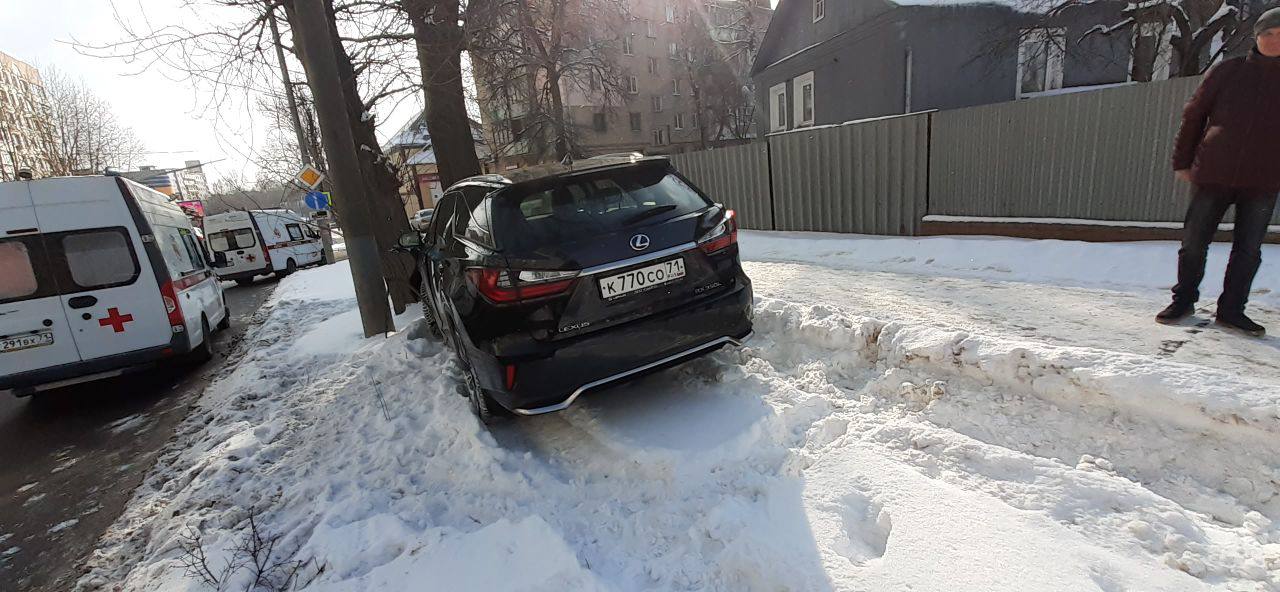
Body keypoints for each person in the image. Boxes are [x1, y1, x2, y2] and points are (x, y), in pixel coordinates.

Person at [1158, 7, 1280, 337]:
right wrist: (1182, 162)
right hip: (1214, 172)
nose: (1274, 40)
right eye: (1268, 34)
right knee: (1194, 242)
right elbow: (1194, 116)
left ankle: (1232, 311)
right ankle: (1183, 300)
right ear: (1257, 37)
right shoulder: (1228, 72)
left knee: (1249, 249)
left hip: (1264, 180)